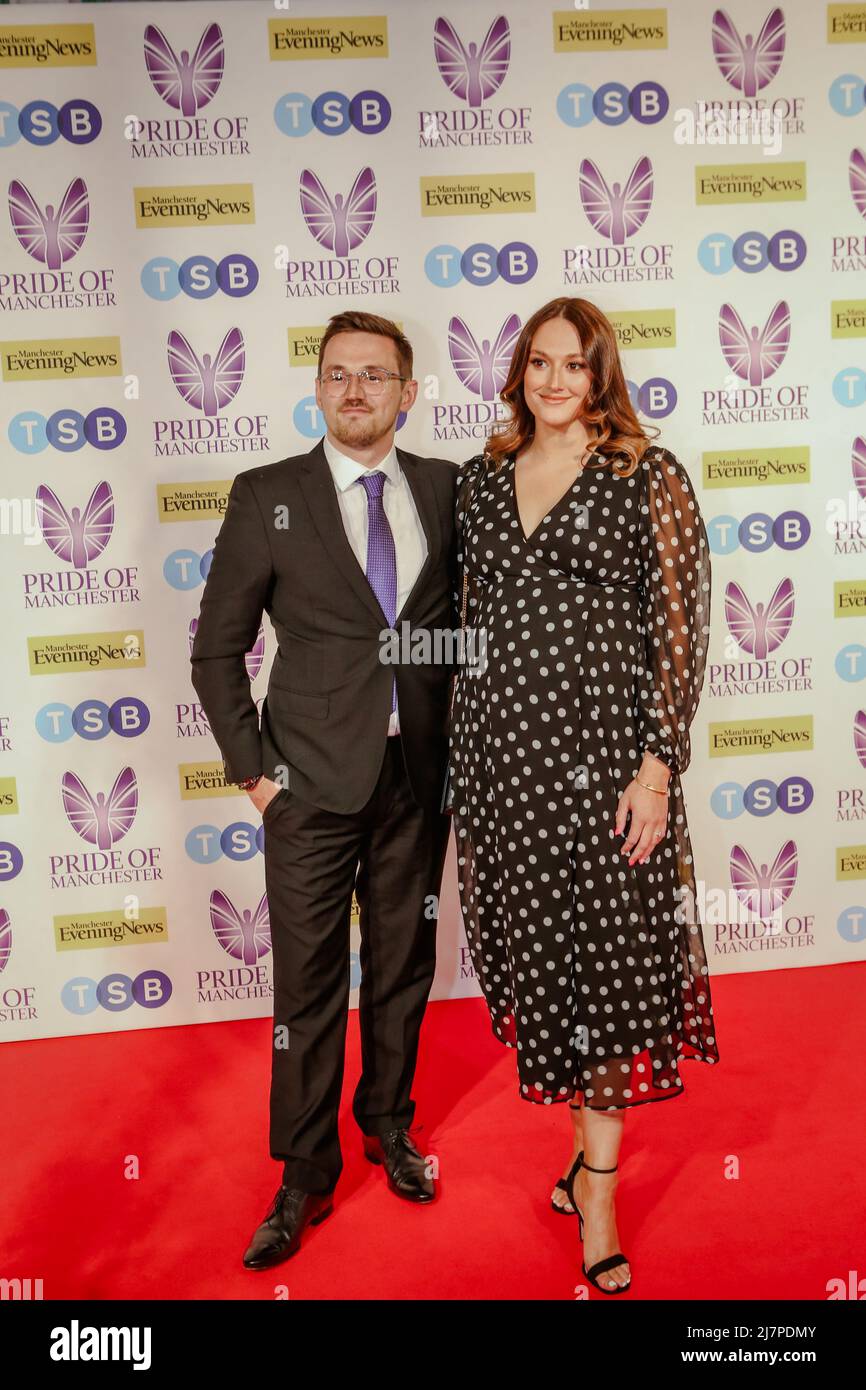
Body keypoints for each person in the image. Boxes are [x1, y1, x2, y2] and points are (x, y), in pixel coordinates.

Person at [448, 296, 719, 1294]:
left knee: (605, 977)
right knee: (551, 970)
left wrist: (655, 768)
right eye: (537, 362)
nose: (553, 379)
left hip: (606, 769)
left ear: (602, 375)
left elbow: (679, 625)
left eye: (574, 363)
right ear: (517, 371)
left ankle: (596, 1191)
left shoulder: (642, 475)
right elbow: (460, 616)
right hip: (504, 770)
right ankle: (577, 1162)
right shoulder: (479, 481)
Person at [191, 311, 457, 1269]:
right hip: (306, 785)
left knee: (402, 969)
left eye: (375, 376)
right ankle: (305, 1171)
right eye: (338, 375)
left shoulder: (447, 490)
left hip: (417, 779)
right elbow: (218, 649)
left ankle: (389, 1125)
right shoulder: (270, 494)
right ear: (317, 390)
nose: (355, 391)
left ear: (407, 392)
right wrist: (257, 778)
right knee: (305, 988)